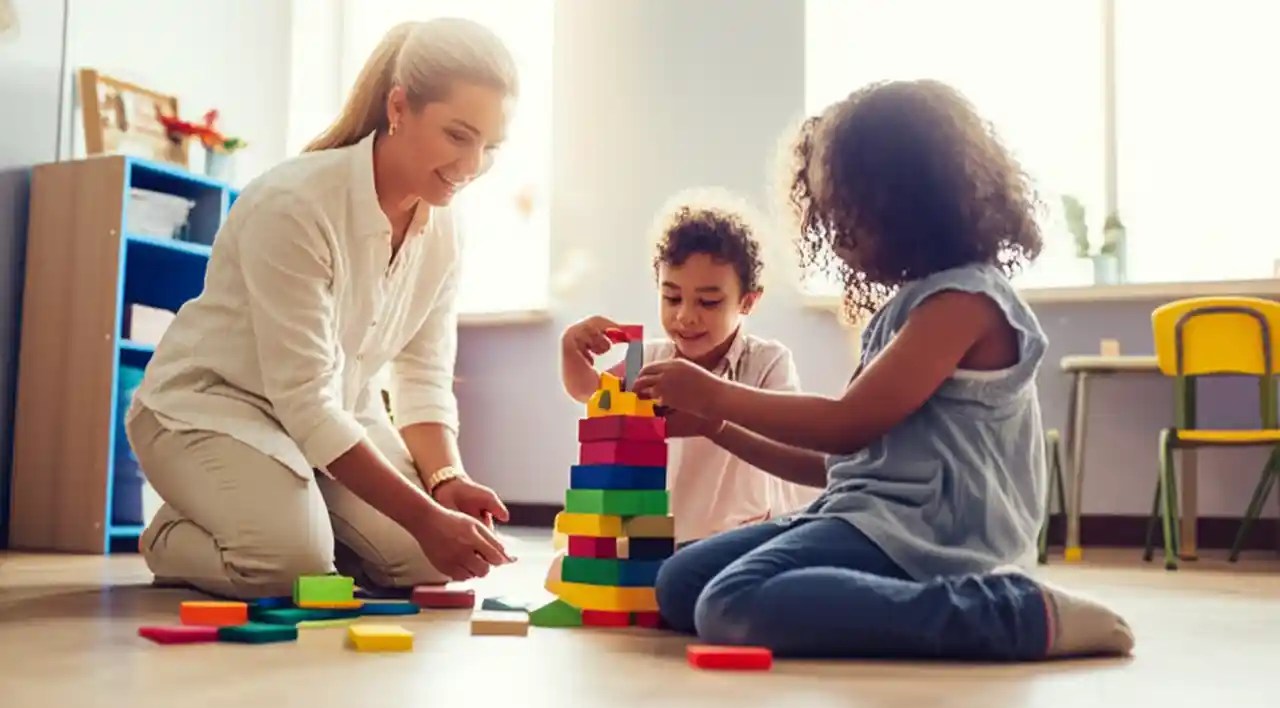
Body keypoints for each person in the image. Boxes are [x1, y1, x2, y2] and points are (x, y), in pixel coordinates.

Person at [638, 80, 1134, 660]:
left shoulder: (963, 304)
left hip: (933, 533)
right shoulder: (906, 309)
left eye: (849, 211)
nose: (835, 229)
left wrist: (715, 396)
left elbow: (845, 425)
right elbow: (841, 461)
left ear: (908, 205)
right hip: (866, 517)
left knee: (730, 603)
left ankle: (1014, 613)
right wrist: (716, 427)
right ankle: (898, 598)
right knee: (676, 584)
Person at [127, 18, 518, 600]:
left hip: (332, 419)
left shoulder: (444, 231)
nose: (471, 165)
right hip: (214, 409)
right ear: (400, 106)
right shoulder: (293, 204)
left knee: (425, 565)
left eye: (489, 147)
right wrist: (424, 515)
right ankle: (174, 534)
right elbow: (305, 399)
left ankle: (287, 513)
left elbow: (422, 377)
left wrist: (446, 479)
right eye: (458, 136)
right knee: (289, 569)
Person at [559, 189, 820, 546]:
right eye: (671, 297)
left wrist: (714, 412)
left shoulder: (766, 362)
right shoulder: (647, 358)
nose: (685, 316)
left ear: (747, 301)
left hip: (745, 533)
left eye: (708, 302)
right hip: (661, 536)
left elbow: (790, 435)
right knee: (571, 568)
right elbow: (593, 396)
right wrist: (571, 355)